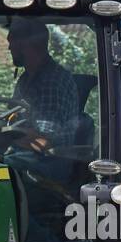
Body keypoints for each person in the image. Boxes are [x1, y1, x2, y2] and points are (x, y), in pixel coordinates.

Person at [6, 18, 79, 152]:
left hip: (47, 163)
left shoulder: (52, 80)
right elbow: (12, 117)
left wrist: (4, 136)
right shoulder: (25, 78)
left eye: (13, 42)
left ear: (30, 44)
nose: (9, 47)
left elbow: (44, 141)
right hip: (26, 154)